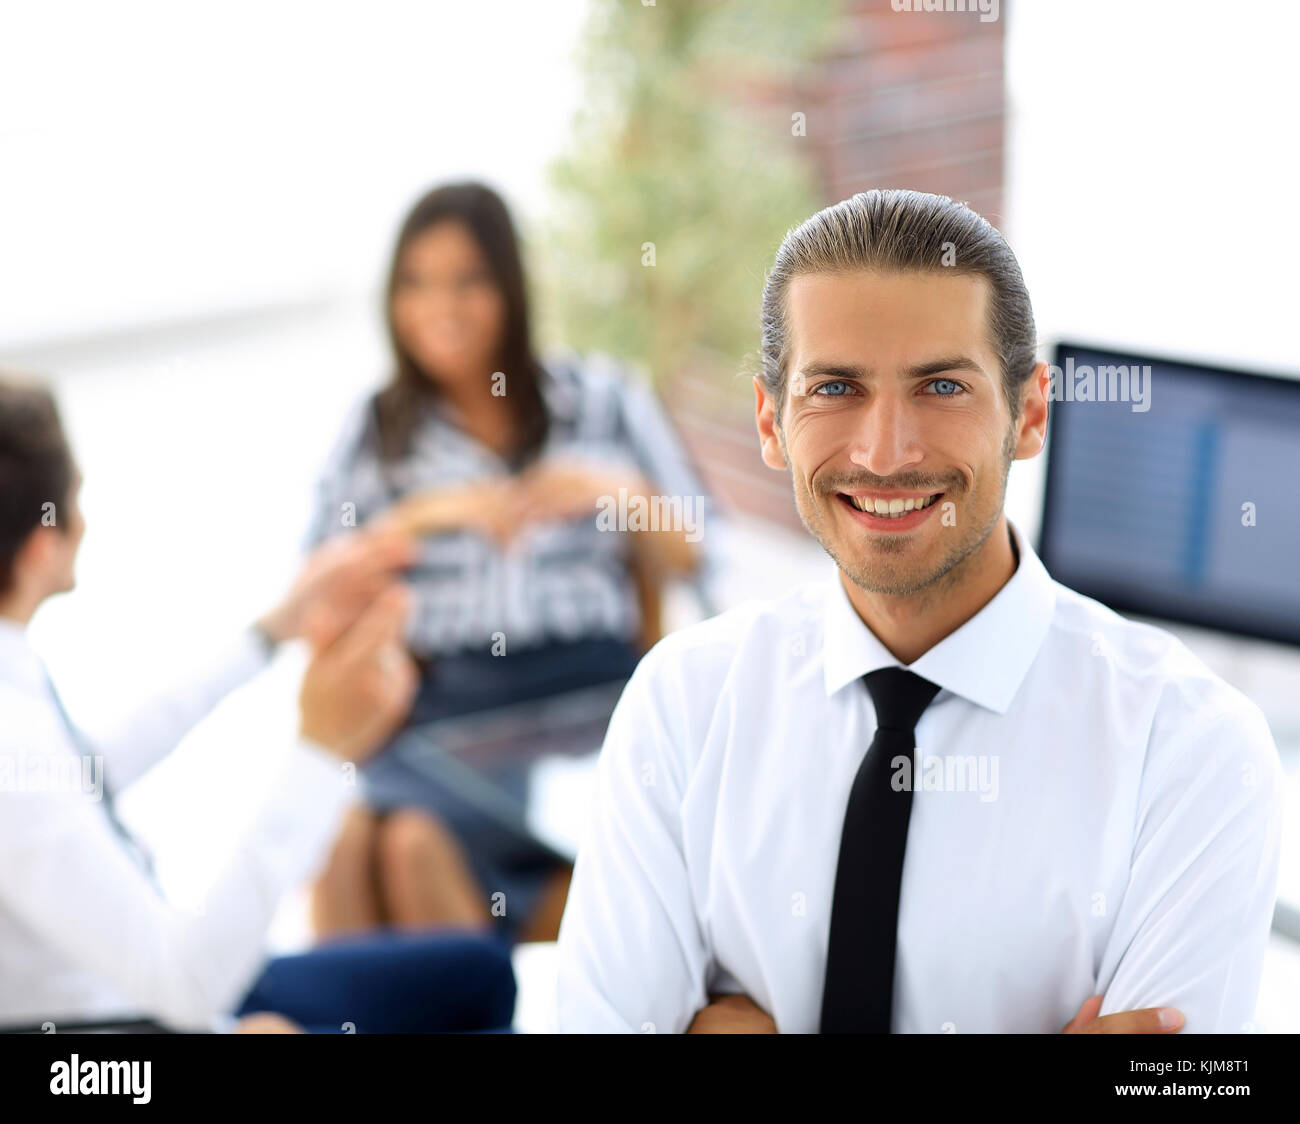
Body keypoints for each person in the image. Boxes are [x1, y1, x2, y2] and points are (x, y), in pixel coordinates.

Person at [554, 189, 1285, 1034]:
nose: (885, 452)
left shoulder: (1192, 752)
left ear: (1032, 412)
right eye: (835, 387)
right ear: (771, 421)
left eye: (941, 385)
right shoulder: (681, 706)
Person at [0, 377, 515, 1033]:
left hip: (159, 986)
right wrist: (321, 751)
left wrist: (275, 631)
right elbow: (186, 986)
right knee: (478, 1005)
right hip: (131, 1028)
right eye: (75, 501)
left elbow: (88, 771)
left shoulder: (12, 684)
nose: (86, 519)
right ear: (43, 546)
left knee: (482, 970)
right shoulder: (8, 742)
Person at [302, 181, 722, 944]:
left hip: (587, 693)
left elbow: (702, 551)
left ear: (510, 286)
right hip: (446, 704)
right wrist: (420, 517)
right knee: (356, 847)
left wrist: (616, 489)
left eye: (469, 281)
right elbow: (315, 595)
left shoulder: (601, 398)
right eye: (417, 284)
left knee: (406, 846)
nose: (442, 307)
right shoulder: (378, 431)